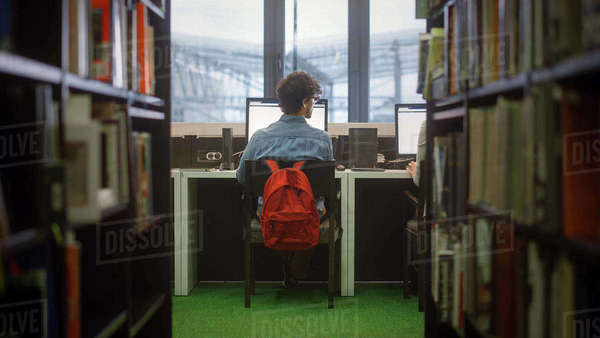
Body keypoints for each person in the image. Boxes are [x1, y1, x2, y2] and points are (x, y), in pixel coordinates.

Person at [236, 71, 334, 288]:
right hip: (310, 214)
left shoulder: (259, 138)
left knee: (280, 208)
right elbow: (327, 184)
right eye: (312, 101)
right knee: (313, 208)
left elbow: (242, 177)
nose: (313, 105)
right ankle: (297, 271)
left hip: (269, 214)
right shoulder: (323, 140)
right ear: (304, 102)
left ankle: (288, 269)